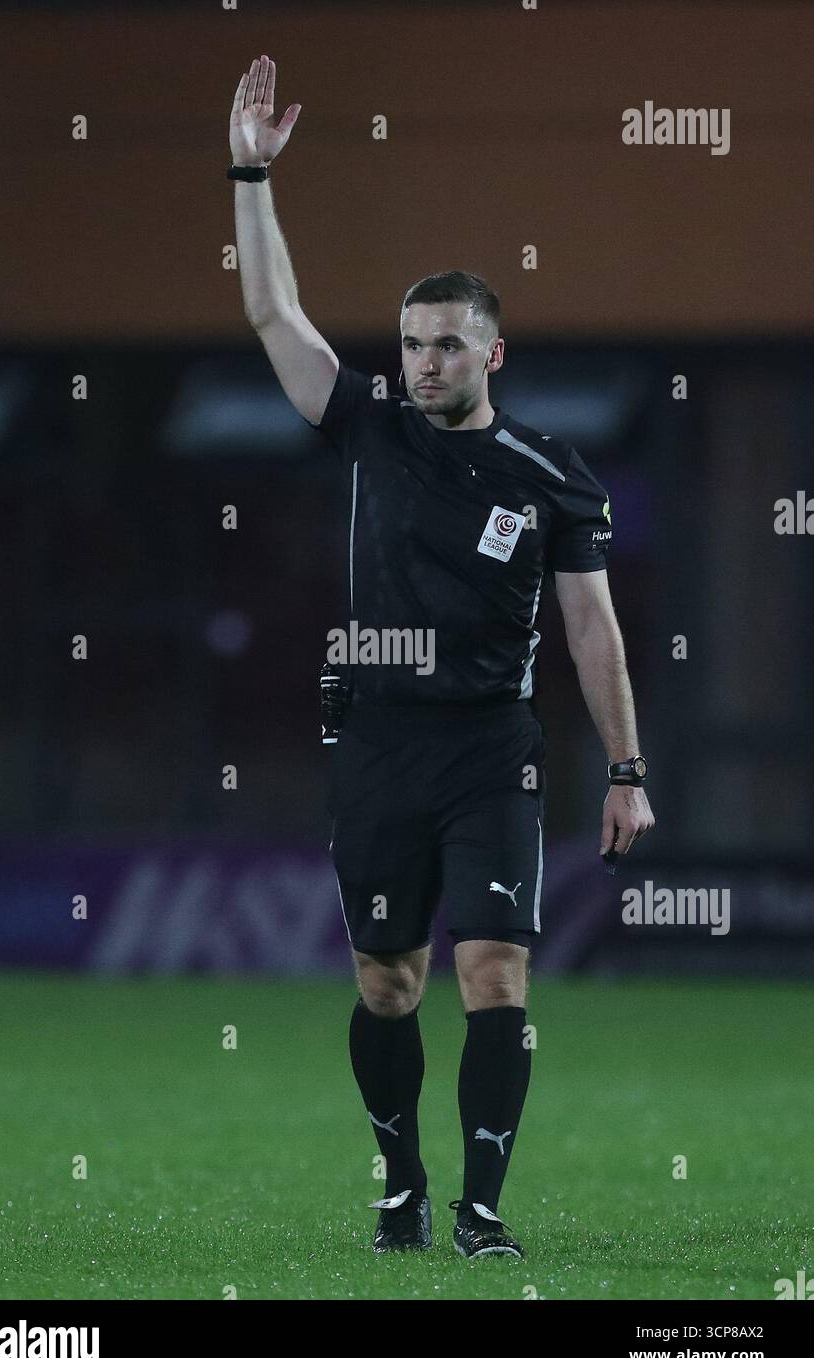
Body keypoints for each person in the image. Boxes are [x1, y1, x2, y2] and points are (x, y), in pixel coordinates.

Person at [229, 55, 655, 1258]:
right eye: (413, 343)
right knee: (386, 985)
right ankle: (402, 1186)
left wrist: (623, 768)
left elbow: (589, 628)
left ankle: (478, 1213)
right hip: (372, 738)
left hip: (487, 745)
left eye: (447, 346)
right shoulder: (363, 425)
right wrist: (251, 171)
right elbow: (271, 312)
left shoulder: (553, 478)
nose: (423, 362)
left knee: (496, 968)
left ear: (492, 355)